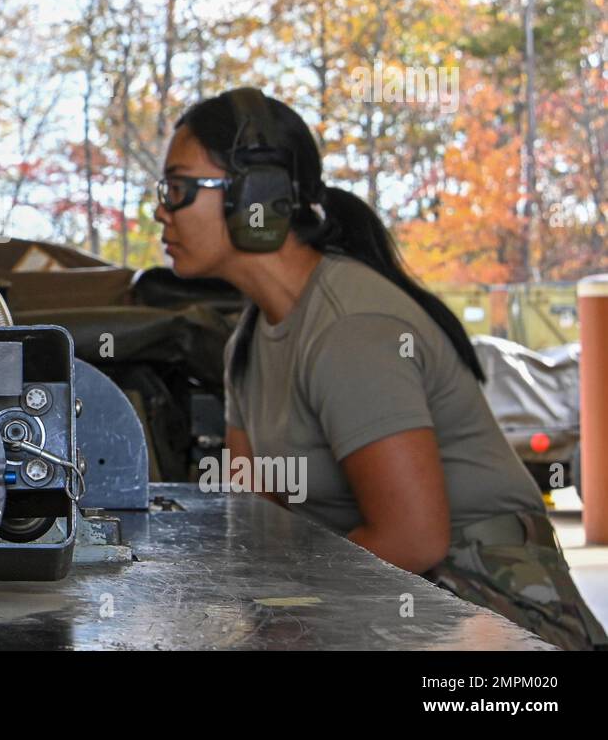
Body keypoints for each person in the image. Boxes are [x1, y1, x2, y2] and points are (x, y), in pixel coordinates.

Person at [153, 86, 607, 651]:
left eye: (178, 189)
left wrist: (281, 612)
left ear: (256, 193)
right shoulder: (248, 341)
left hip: (498, 608)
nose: (160, 211)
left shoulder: (350, 328)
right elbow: (257, 519)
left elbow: (413, 539)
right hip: (403, 597)